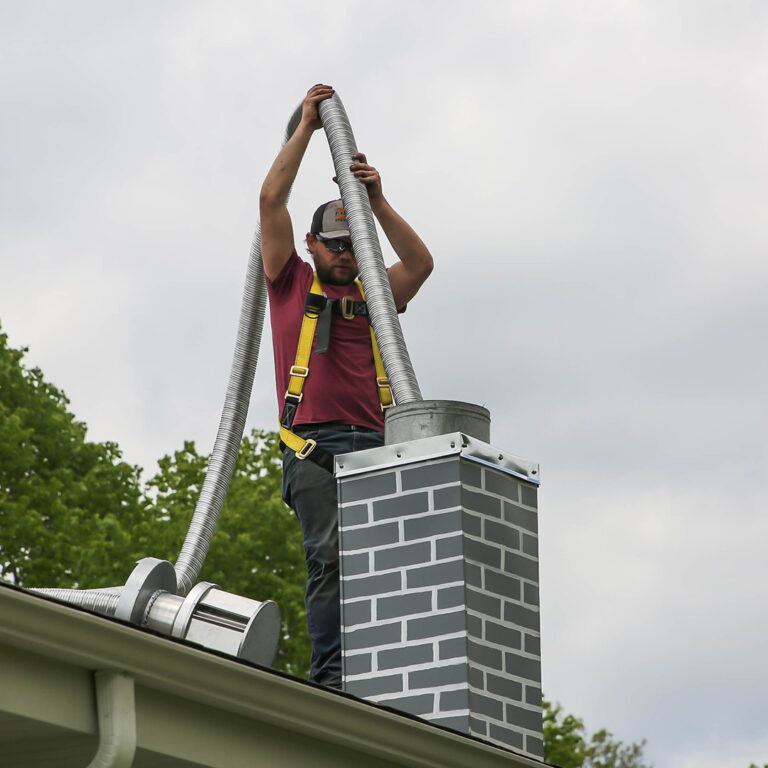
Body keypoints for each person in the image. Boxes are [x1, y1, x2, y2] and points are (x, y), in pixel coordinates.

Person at [259, 84, 433, 688]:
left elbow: (420, 265)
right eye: (331, 246)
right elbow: (270, 199)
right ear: (312, 244)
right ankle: (332, 680)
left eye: (350, 246)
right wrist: (307, 127)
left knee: (390, 566)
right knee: (331, 560)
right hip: (317, 448)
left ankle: (388, 677)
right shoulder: (289, 281)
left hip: (379, 444)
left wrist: (377, 203)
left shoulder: (374, 294)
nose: (342, 256)